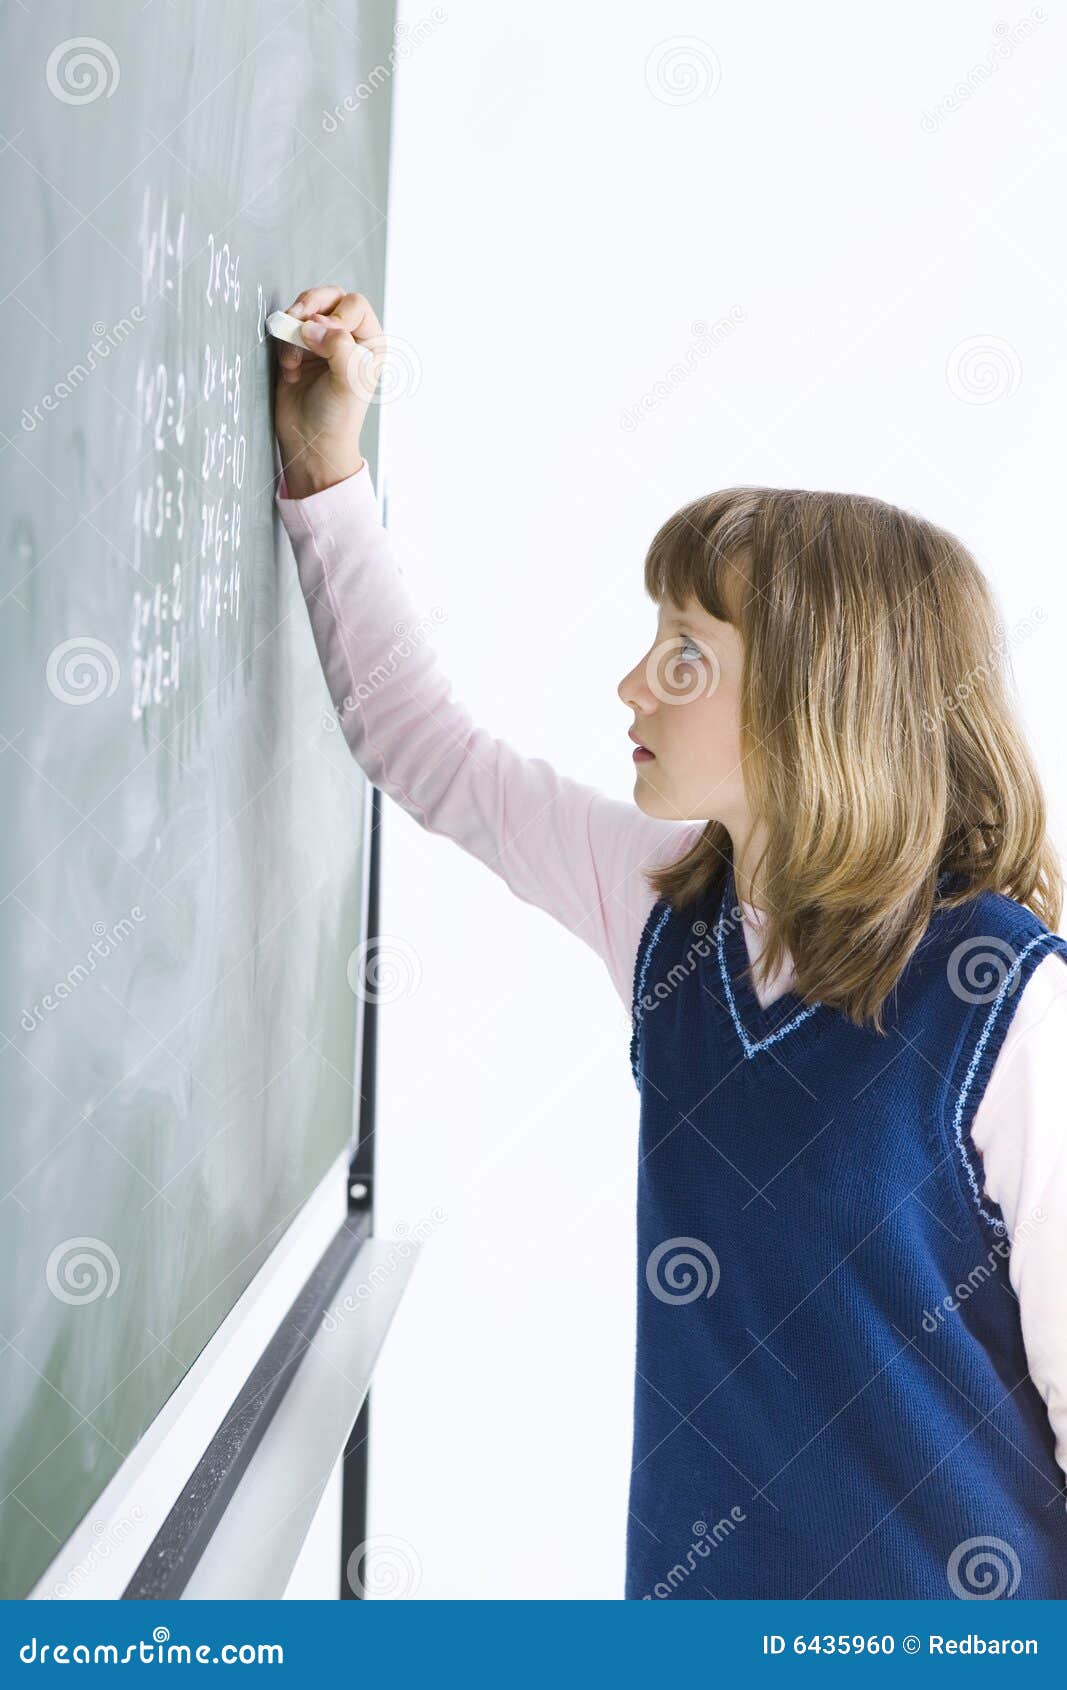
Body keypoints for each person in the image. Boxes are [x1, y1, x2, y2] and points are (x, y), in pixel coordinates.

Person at [272, 286, 1067, 1600]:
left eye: (686, 655)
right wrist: (324, 477)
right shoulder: (663, 911)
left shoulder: (1008, 1002)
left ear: (817, 702)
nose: (635, 683)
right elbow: (423, 745)